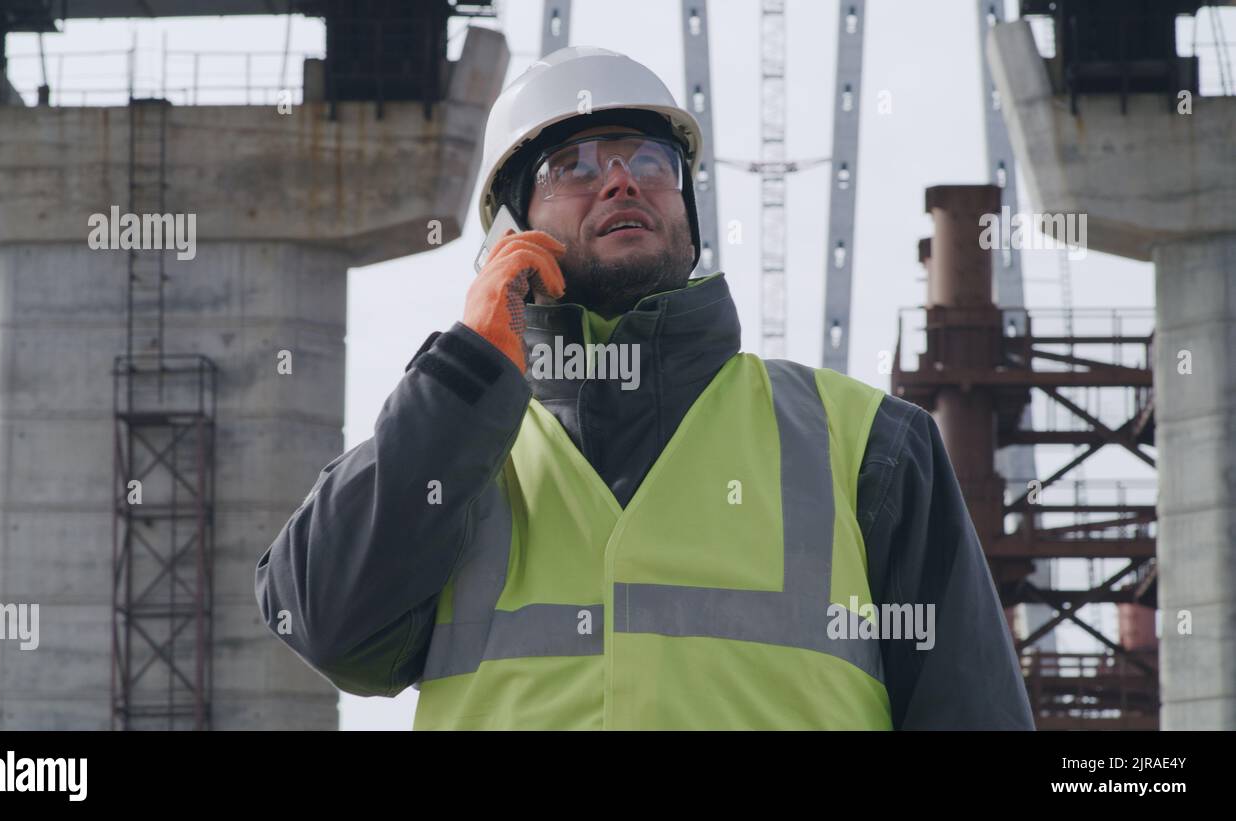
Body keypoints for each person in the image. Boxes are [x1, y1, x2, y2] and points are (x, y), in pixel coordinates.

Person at [255, 46, 1035, 730]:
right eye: (577, 167)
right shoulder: (449, 449)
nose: (622, 181)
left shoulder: (869, 445)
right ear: (506, 233)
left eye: (651, 161)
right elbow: (326, 621)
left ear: (687, 209)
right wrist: (466, 366)